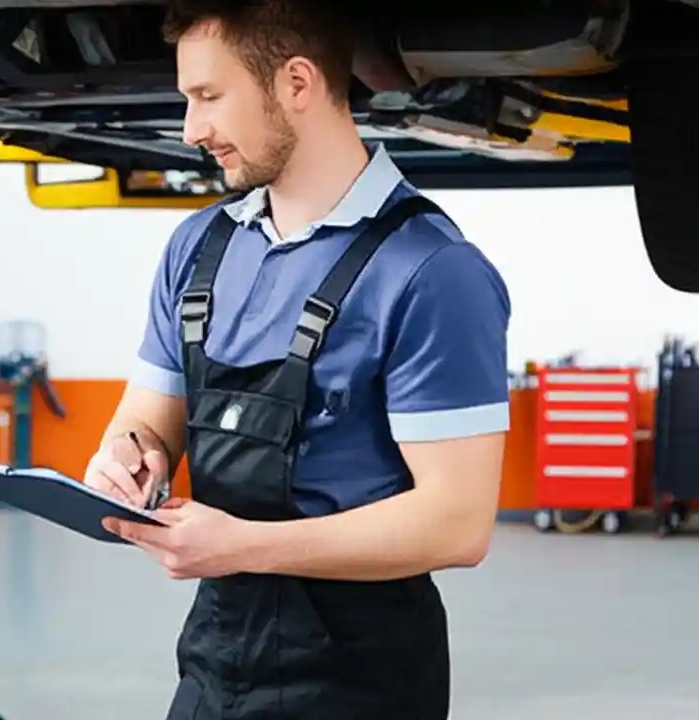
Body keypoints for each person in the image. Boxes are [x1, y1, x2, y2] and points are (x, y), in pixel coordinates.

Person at [82, 0, 511, 717]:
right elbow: (144, 422)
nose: (191, 131)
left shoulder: (432, 271)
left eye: (209, 98)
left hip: (359, 683)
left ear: (298, 85)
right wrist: (128, 459)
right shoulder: (199, 248)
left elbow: (458, 525)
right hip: (213, 668)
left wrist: (243, 545)